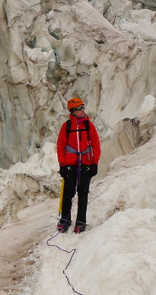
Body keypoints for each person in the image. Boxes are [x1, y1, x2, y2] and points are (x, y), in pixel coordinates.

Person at [56, 97, 101, 233]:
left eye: (83, 107)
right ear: (73, 111)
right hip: (71, 164)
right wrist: (62, 164)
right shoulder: (67, 126)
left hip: (86, 163)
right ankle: (65, 220)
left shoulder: (88, 125)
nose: (83, 110)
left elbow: (95, 144)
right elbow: (61, 146)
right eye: (79, 108)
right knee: (68, 193)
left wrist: (94, 162)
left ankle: (81, 221)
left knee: (83, 193)